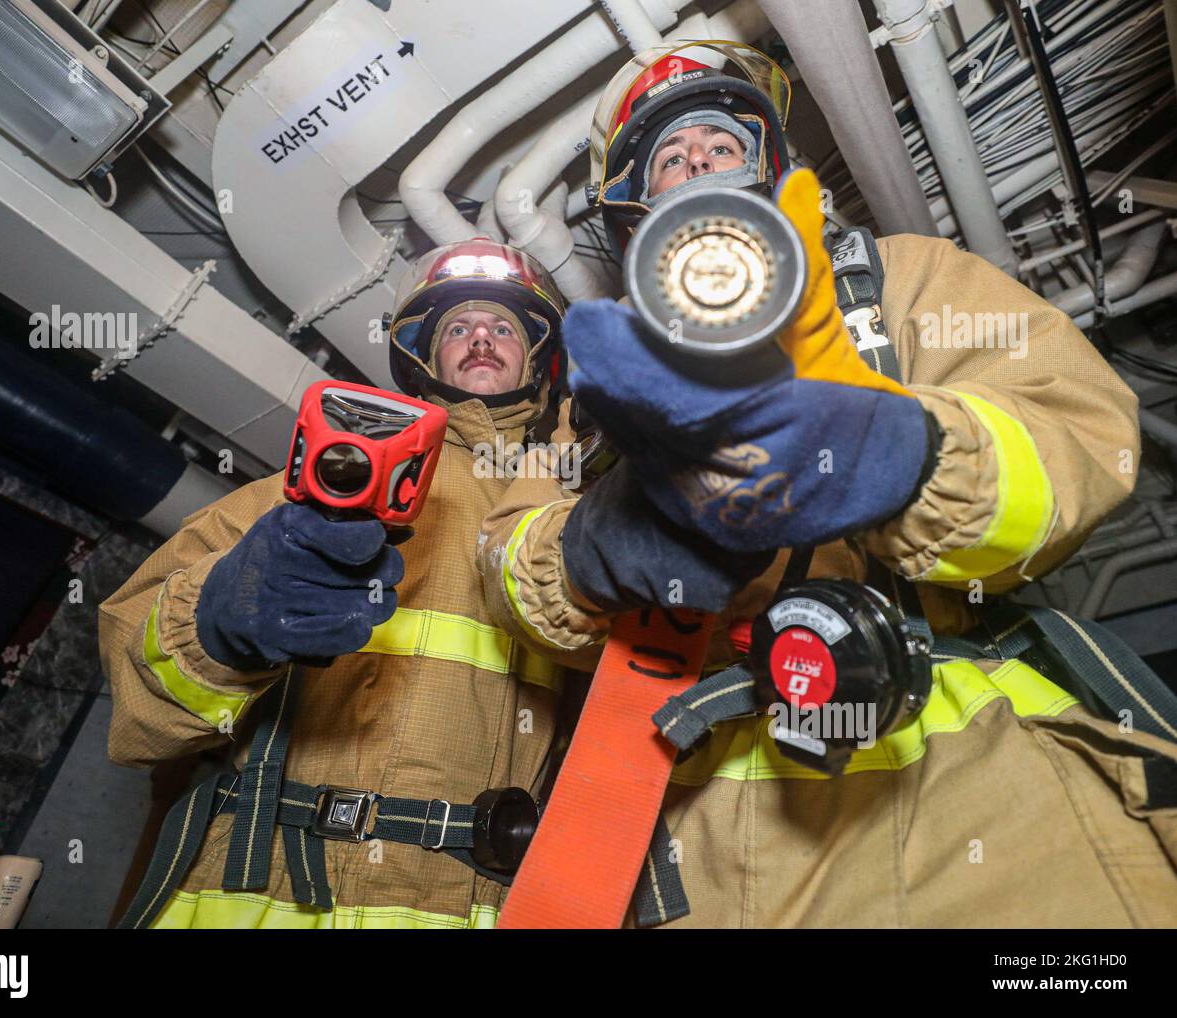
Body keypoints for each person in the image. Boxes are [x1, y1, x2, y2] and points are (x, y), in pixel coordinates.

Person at [477, 41, 1177, 927]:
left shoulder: (901, 278)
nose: (695, 161)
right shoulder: (593, 399)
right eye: (669, 157)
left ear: (772, 168)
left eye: (719, 145)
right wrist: (593, 546)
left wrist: (905, 457)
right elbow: (503, 563)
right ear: (632, 217)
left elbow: (1082, 434)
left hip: (975, 784)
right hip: (693, 833)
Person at [100, 240, 596, 929]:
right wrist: (217, 629)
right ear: (423, 357)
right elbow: (135, 712)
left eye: (502, 328)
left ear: (540, 359)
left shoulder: (570, 516)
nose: (480, 338)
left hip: (472, 902)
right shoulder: (330, 483)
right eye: (458, 327)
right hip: (256, 889)